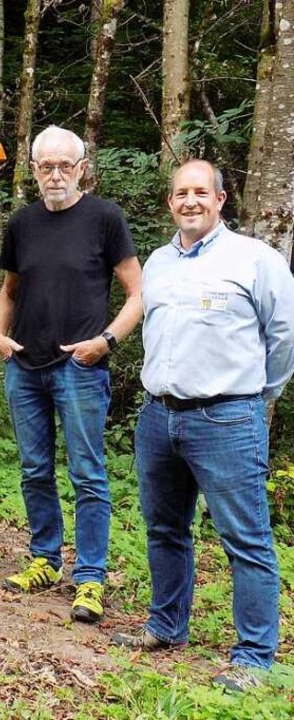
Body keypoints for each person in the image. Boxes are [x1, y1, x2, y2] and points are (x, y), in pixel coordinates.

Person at [112, 160, 294, 692]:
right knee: (166, 529)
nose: (189, 201)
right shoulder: (160, 264)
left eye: (200, 192)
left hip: (228, 417)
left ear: (220, 199)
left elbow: (284, 337)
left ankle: (255, 658)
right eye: (180, 193)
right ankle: (167, 628)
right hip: (158, 416)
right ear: (170, 202)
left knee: (246, 538)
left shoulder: (255, 260)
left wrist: (261, 395)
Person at [0, 125, 142, 623]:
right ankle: (45, 560)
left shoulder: (104, 218)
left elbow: (138, 293)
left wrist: (107, 342)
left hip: (80, 368)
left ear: (81, 168)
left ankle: (91, 579)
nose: (55, 174)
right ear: (33, 170)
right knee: (34, 470)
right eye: (45, 165)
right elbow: (10, 289)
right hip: (25, 368)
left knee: (88, 474)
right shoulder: (22, 223)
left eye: (64, 165)